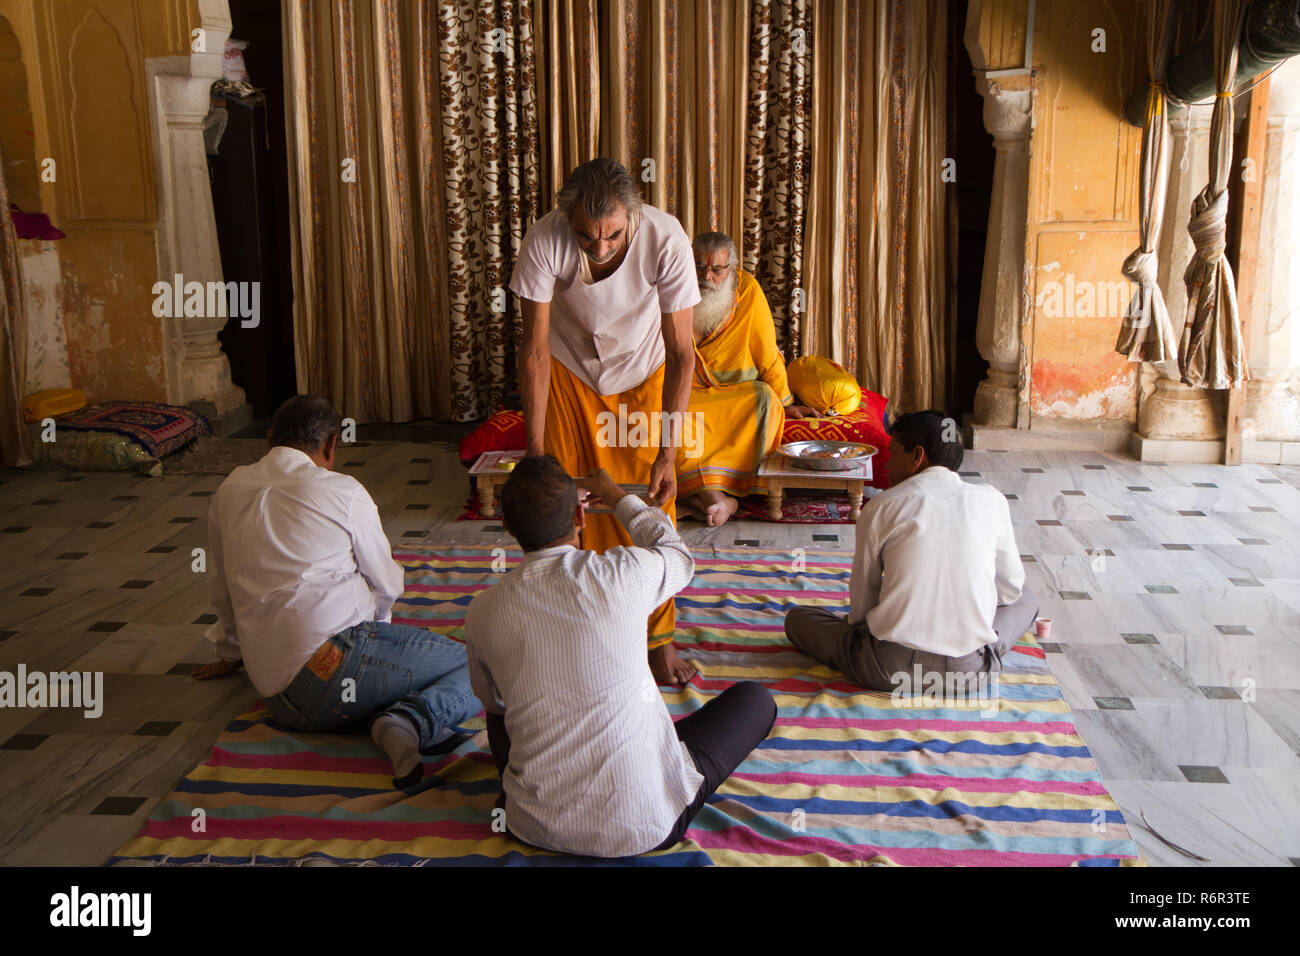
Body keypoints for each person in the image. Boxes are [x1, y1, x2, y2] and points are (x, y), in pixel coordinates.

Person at [464, 456, 777, 858]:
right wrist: (617, 497)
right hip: (644, 826)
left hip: (531, 824)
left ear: (506, 527)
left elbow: (493, 705)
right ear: (581, 516)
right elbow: (679, 556)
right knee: (755, 701)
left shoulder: (483, 609)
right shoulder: (623, 572)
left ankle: (522, 791)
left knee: (499, 702)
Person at [193, 395, 481, 788]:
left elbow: (222, 585)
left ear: (269, 441)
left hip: (278, 699)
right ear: (330, 445)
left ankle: (386, 715)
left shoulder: (229, 489)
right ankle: (409, 720)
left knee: (391, 667)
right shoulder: (343, 491)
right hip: (337, 667)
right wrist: (381, 636)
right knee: (486, 662)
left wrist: (229, 653)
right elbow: (387, 582)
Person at [511, 158, 700, 685]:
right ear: (565, 217)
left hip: (642, 371)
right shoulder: (544, 238)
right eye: (586, 238)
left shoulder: (666, 239)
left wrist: (668, 451)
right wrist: (534, 450)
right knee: (559, 503)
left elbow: (682, 351)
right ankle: (569, 625)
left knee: (645, 501)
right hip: (569, 369)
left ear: (633, 219)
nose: (599, 249)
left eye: (613, 237)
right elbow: (533, 350)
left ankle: (657, 641)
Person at [784, 410, 1038, 693]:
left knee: (798, 619)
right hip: (967, 675)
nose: (888, 464)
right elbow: (1010, 591)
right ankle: (980, 642)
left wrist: (864, 629)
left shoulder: (882, 506)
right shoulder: (993, 501)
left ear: (917, 456)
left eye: (893, 453)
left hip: (886, 669)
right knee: (1026, 599)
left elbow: (862, 601)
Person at [678, 231, 814, 526]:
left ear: (733, 268)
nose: (706, 276)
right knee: (670, 411)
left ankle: (706, 498)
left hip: (732, 396)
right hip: (687, 392)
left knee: (764, 398)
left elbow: (766, 354)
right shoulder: (674, 285)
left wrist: (787, 401)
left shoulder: (747, 291)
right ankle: (717, 498)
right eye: (699, 267)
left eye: (717, 269)